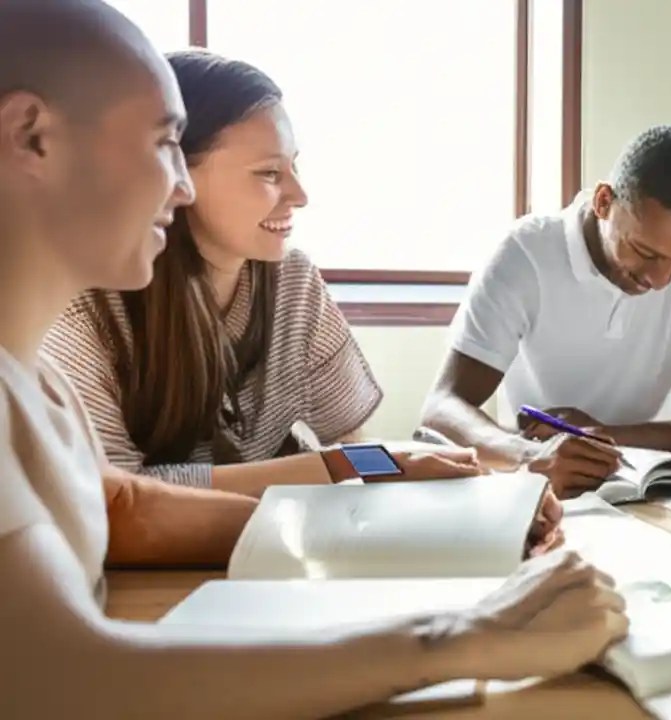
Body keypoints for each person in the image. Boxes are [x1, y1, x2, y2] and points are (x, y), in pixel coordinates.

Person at [0, 2, 624, 716]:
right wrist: (462, 638)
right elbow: (62, 680)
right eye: (163, 143)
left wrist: (438, 534)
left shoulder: (33, 380)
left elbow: (123, 503)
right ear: (32, 136)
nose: (180, 185)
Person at [44, 49, 486, 496]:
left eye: (294, 166)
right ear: (174, 174)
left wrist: (409, 469)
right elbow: (116, 496)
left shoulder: (293, 281)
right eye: (270, 173)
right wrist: (340, 467)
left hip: (260, 548)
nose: (299, 194)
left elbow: (352, 446)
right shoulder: (86, 305)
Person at [420, 125, 671, 497]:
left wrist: (608, 438)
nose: (661, 280)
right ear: (603, 202)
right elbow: (442, 406)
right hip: (541, 491)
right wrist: (529, 456)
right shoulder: (525, 254)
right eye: (646, 252)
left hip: (644, 489)